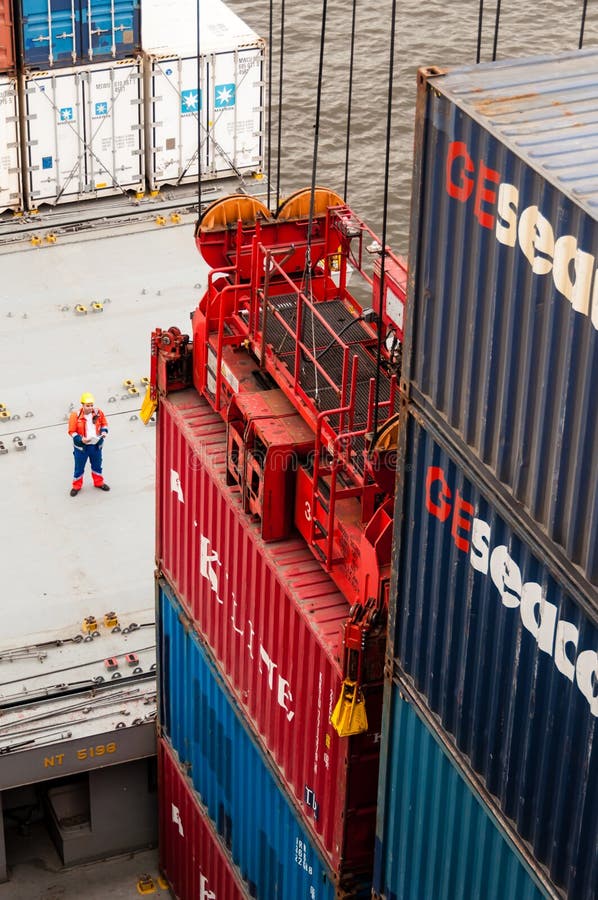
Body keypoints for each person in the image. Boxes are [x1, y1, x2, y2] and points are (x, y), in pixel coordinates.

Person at [68, 393, 110, 496]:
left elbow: (104, 423)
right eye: (88, 405)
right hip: (82, 448)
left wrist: (104, 432)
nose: (90, 407)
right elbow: (71, 431)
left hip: (95, 446)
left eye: (91, 405)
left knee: (97, 465)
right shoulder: (75, 416)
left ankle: (99, 483)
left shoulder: (98, 413)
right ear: (82, 405)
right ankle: (76, 486)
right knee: (79, 467)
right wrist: (81, 439)